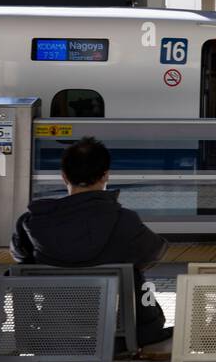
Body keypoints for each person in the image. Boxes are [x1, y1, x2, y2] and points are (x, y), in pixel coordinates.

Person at [11, 137, 169, 346]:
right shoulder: (125, 220)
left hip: (54, 332)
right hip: (121, 336)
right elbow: (153, 253)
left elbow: (20, 258)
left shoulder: (31, 222)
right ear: (105, 176)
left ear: (64, 177)